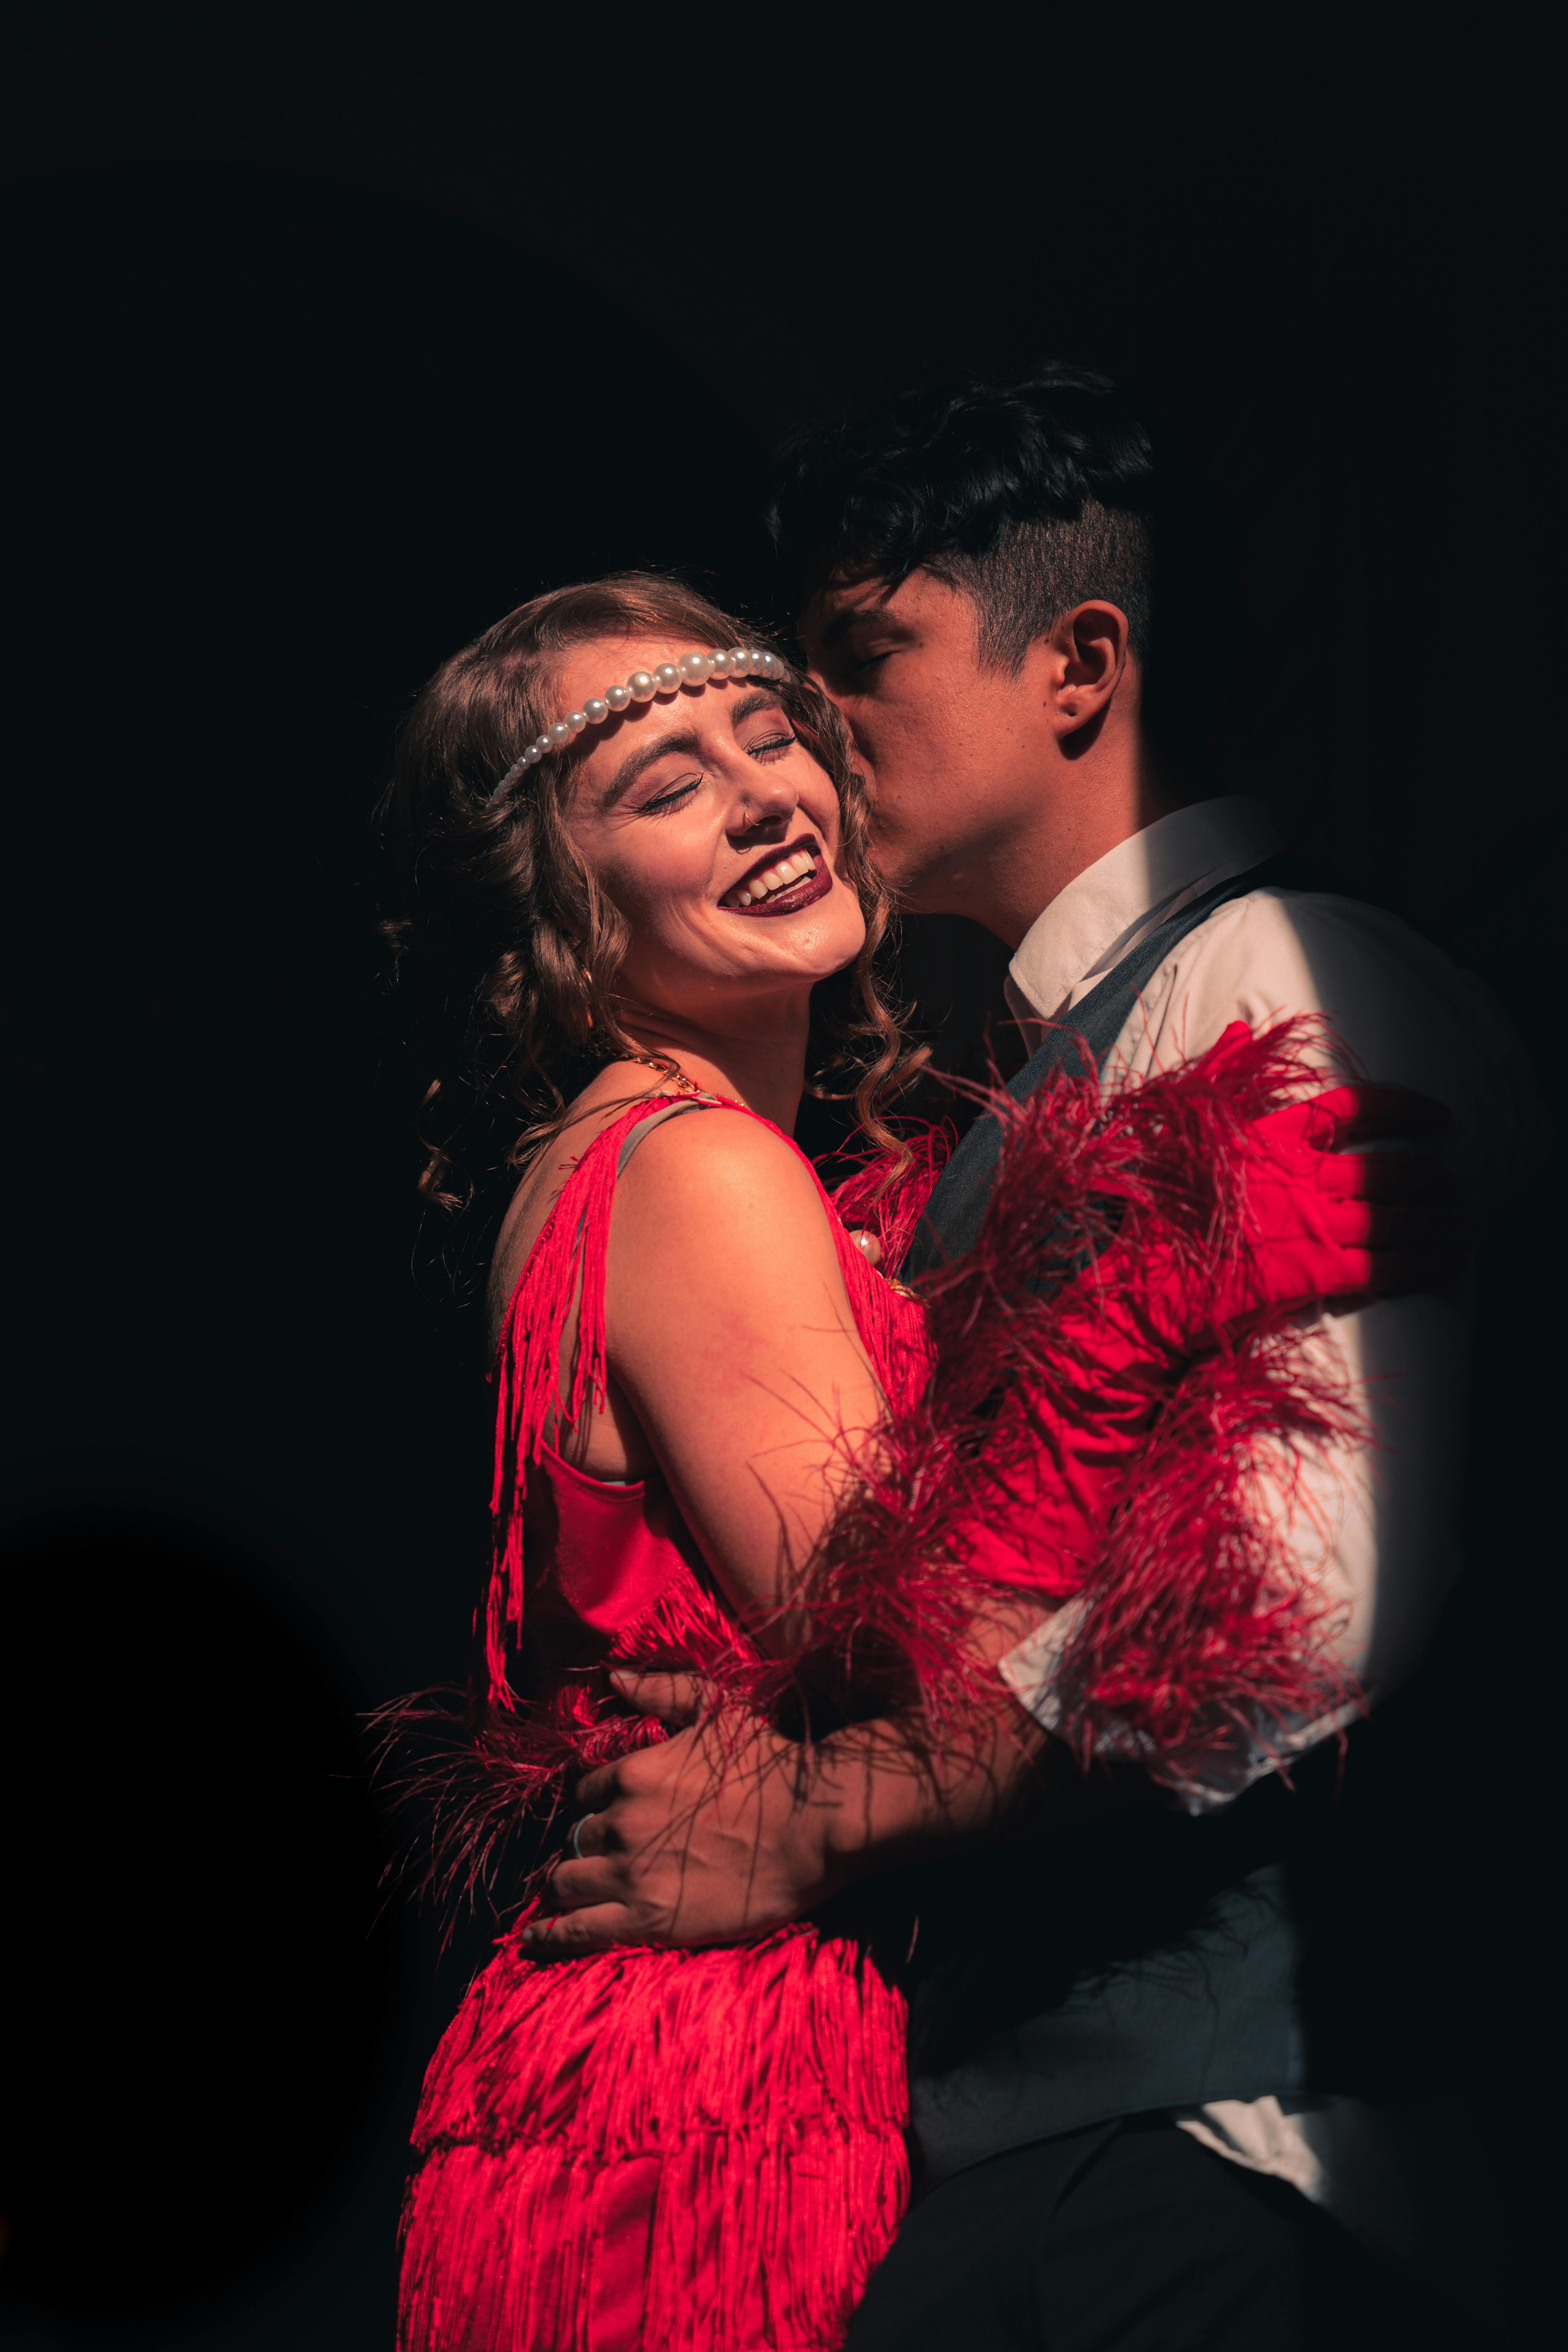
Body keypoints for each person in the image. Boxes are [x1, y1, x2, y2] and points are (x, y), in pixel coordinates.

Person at [527, 371, 1538, 2348]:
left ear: (1080, 663)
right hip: (1044, 2162)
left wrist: (827, 1810)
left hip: (1224, 2151)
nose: (818, 739)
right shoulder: (1017, 1089)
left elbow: (1292, 1604)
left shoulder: (1278, 978)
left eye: (858, 657)